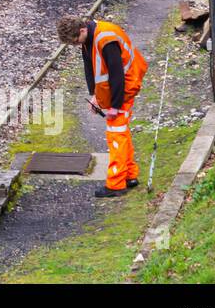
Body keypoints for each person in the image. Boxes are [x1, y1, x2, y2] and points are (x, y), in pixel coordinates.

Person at [57, 16, 149, 198]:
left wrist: (114, 106)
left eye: (76, 41)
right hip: (118, 89)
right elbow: (89, 66)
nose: (76, 45)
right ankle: (130, 175)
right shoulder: (89, 37)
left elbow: (117, 75)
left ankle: (116, 184)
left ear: (82, 30)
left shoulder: (106, 39)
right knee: (121, 132)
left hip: (125, 89)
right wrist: (95, 96)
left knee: (116, 135)